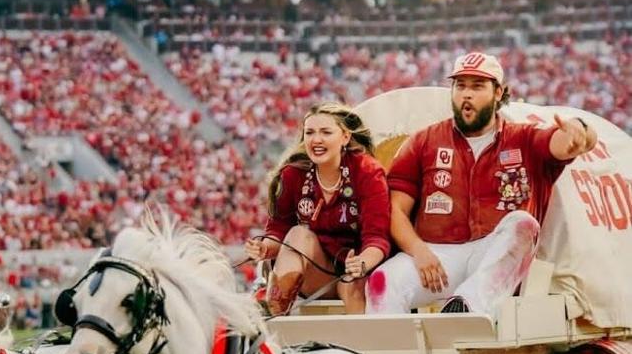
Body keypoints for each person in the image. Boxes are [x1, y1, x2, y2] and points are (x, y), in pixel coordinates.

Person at [366, 51, 599, 318]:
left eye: (477, 86)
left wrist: (580, 132)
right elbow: (395, 210)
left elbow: (563, 144)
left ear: (499, 92)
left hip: (494, 255)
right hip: (436, 253)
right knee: (382, 282)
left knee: (523, 223)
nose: (467, 94)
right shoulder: (424, 141)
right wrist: (419, 251)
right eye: (460, 85)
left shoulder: (523, 138)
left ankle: (465, 309)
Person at [245, 101, 391, 314]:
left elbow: (377, 238)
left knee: (354, 284)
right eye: (310, 132)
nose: (316, 139)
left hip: (357, 268)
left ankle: (362, 344)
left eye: (325, 132)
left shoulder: (367, 172)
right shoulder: (293, 174)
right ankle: (272, 314)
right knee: (298, 234)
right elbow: (278, 231)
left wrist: (362, 263)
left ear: (345, 137)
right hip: (315, 271)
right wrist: (264, 248)